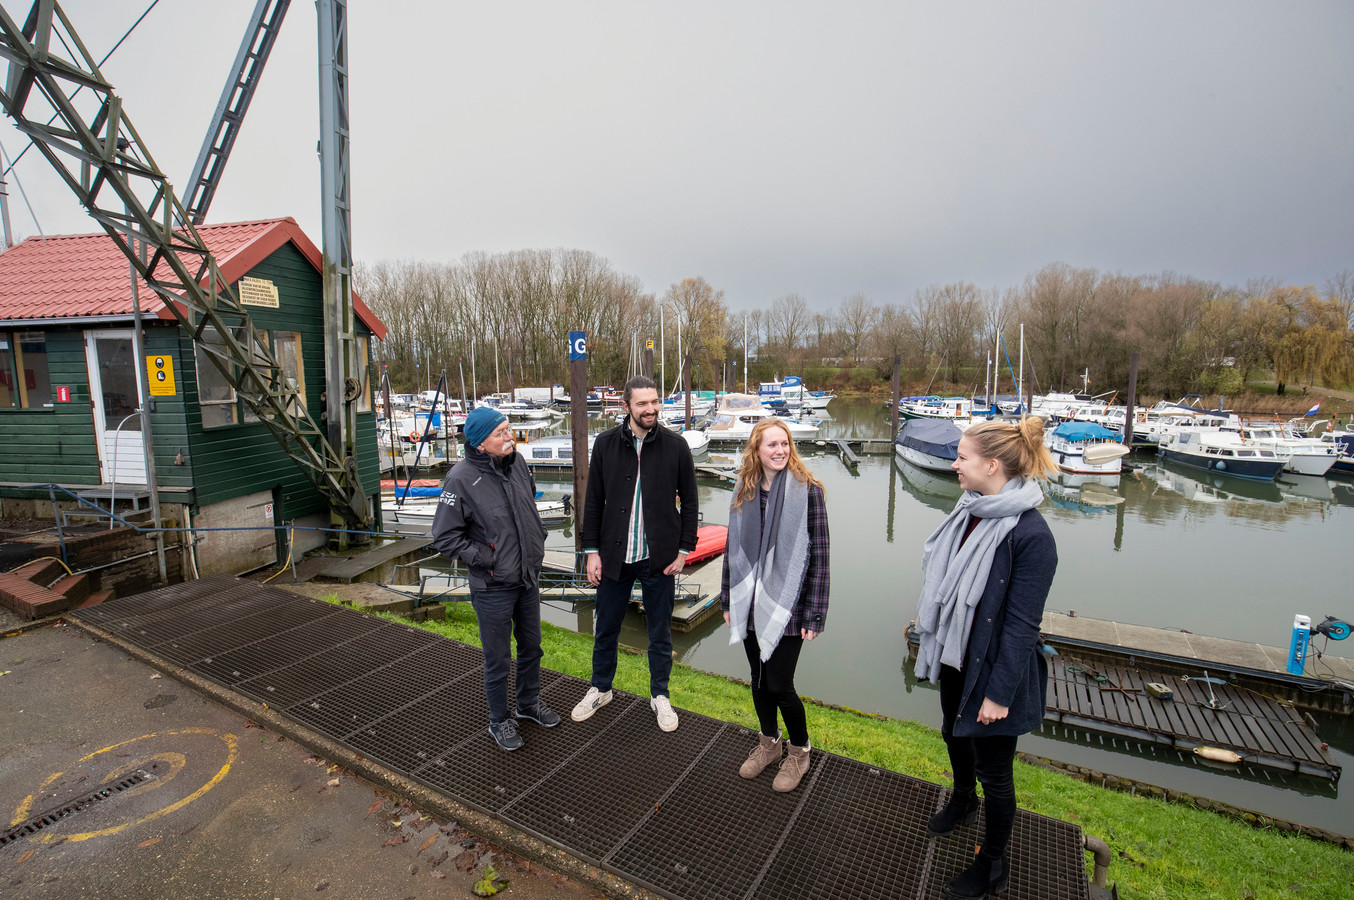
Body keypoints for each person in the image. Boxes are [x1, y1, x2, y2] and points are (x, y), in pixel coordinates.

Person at [912, 416, 1058, 899]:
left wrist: (999, 694)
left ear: (992, 465)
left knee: (996, 773)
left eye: (962, 457)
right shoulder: (968, 508)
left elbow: (1021, 626)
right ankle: (961, 800)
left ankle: (993, 862)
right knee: (953, 734)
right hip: (956, 655)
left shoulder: (1032, 536)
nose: (955, 464)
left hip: (994, 674)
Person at [572, 376, 699, 732]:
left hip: (659, 558)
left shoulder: (676, 446)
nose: (651, 409)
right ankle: (600, 688)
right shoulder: (607, 444)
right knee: (606, 629)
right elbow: (593, 499)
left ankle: (660, 695)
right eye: (642, 403)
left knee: (660, 633)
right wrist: (591, 551)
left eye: (655, 402)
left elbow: (690, 501)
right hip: (615, 555)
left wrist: (685, 549)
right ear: (625, 406)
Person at [431, 406, 558, 751]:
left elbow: (528, 506)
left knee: (532, 647)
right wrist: (487, 559)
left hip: (527, 577)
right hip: (492, 586)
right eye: (500, 432)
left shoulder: (517, 463)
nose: (509, 436)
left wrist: (538, 536)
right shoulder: (459, 479)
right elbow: (444, 537)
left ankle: (528, 704)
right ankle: (499, 720)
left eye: (508, 429)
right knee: (498, 657)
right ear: (479, 442)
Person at [721, 418, 829, 793]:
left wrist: (816, 613)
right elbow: (731, 550)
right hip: (749, 602)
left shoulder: (809, 492)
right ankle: (769, 743)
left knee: (781, 684)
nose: (780, 450)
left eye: (785, 443)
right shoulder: (744, 490)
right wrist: (726, 598)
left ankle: (799, 751)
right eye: (772, 445)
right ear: (757, 450)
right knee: (759, 681)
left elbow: (820, 558)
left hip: (790, 607)